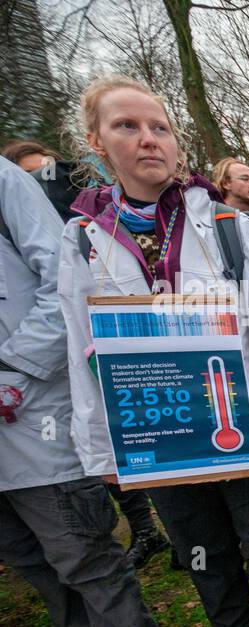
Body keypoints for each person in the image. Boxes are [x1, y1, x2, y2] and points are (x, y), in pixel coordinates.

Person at [61, 76, 249, 627]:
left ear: (177, 141)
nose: (148, 138)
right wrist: (104, 449)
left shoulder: (230, 228)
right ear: (96, 141)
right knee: (202, 553)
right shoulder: (84, 241)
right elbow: (79, 347)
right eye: (127, 126)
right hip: (161, 440)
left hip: (241, 429)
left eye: (160, 126)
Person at [0, 154, 173, 627]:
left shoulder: (7, 186)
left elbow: (62, 291)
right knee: (23, 550)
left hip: (29, 413)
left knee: (76, 543)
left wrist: (14, 372)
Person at [3, 138, 171, 567]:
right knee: (104, 442)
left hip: (109, 348)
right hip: (78, 351)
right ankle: (150, 526)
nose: (40, 182)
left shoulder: (81, 217)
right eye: (28, 175)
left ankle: (162, 525)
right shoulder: (60, 229)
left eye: (45, 171)